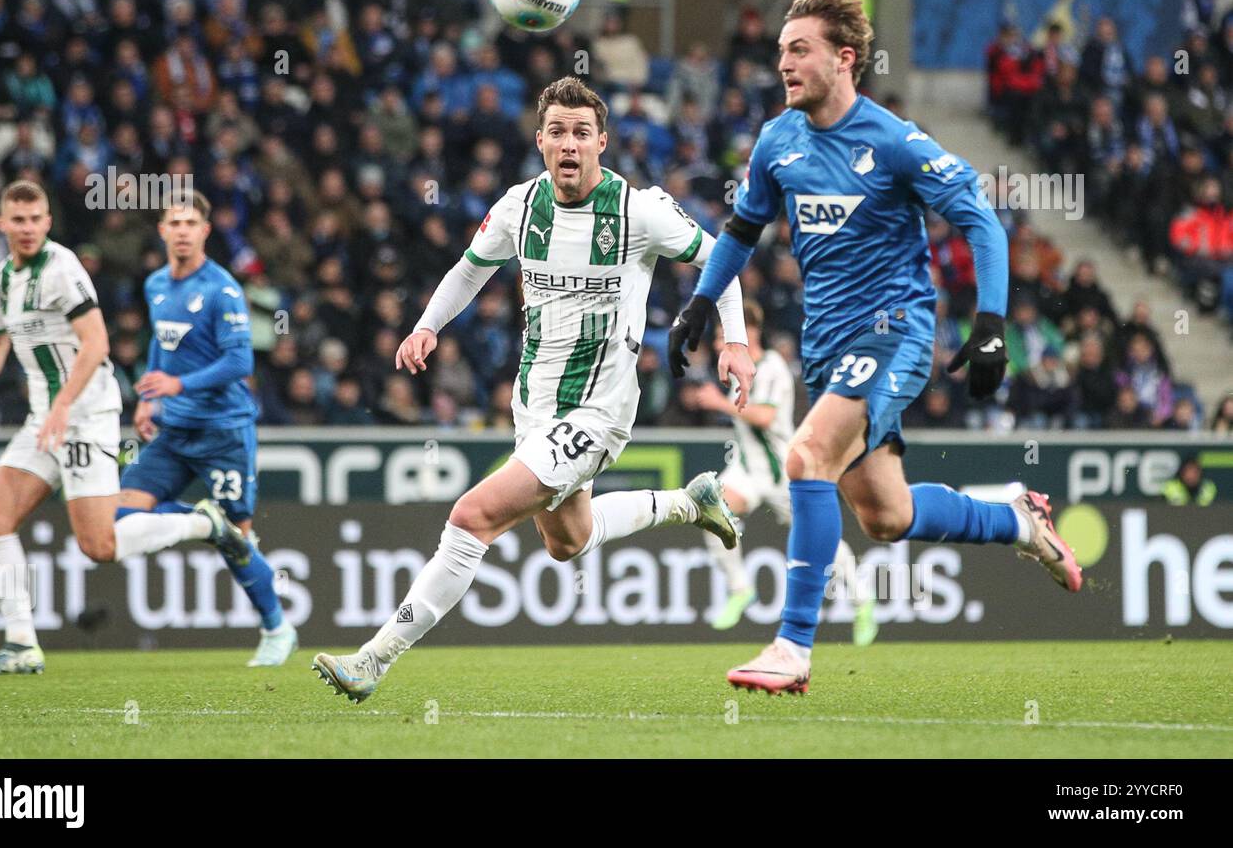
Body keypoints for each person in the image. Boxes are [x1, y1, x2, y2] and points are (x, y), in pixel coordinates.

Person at [668, 0, 1082, 696]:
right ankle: (1015, 519)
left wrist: (989, 325)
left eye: (800, 50)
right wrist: (702, 304)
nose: (785, 64)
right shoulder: (777, 142)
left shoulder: (892, 141)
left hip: (896, 328)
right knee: (886, 517)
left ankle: (792, 647)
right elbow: (741, 230)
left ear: (845, 58)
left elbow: (982, 220)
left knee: (806, 457)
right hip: (827, 347)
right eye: (781, 52)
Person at [312, 77, 749, 703]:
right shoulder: (519, 208)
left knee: (472, 516)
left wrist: (734, 339)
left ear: (601, 141)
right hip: (533, 404)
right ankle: (689, 503)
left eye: (581, 133)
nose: (569, 144)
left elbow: (721, 260)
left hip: (598, 410)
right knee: (565, 542)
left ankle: (373, 659)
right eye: (557, 132)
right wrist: (427, 326)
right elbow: (470, 269)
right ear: (540, 140)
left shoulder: (638, 211)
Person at [0, 181, 253, 674]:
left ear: (48, 222)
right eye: (18, 220)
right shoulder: (1, 279)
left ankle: (205, 522)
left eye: (36, 219)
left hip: (85, 414)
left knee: (100, 546)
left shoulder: (62, 268)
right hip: (44, 419)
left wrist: (62, 407)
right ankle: (21, 644)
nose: (27, 229)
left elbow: (96, 345)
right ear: (2, 224)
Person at [121, 191, 298, 667]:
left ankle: (277, 628)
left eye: (190, 223)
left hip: (222, 430)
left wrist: (176, 384)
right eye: (173, 222)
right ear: (162, 230)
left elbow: (240, 361)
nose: (181, 230)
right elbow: (161, 347)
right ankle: (203, 521)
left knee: (240, 538)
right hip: (174, 431)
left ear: (204, 231)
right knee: (120, 517)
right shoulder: (156, 284)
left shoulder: (222, 289)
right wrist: (148, 399)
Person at [694, 301, 877, 644]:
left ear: (749, 332)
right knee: (711, 511)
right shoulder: (740, 370)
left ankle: (862, 600)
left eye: (723, 336)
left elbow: (764, 417)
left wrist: (718, 403)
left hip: (783, 471)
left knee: (822, 539)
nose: (719, 344)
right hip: (747, 470)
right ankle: (741, 590)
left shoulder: (774, 367)